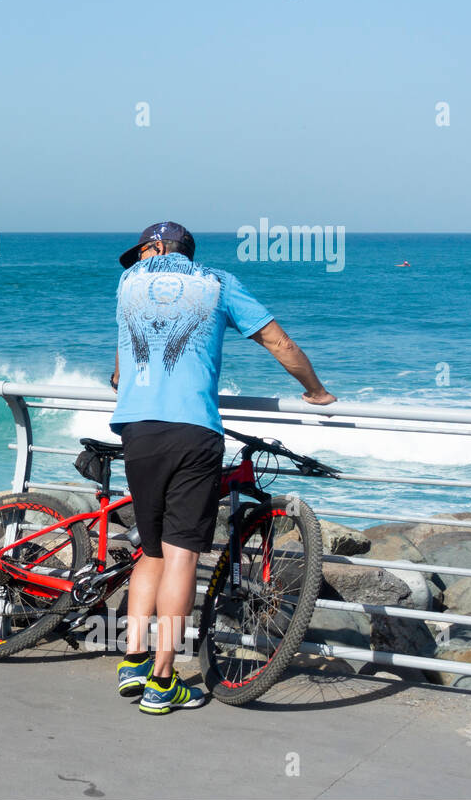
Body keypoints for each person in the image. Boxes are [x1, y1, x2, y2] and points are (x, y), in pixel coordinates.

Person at [108, 221, 335, 714]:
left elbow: (125, 358)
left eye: (142, 251)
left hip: (137, 430)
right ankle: (162, 683)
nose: (138, 261)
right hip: (191, 431)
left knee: (151, 551)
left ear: (158, 247)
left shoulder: (127, 284)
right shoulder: (218, 282)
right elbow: (278, 343)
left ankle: (133, 662)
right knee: (182, 554)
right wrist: (316, 391)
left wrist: (121, 381)